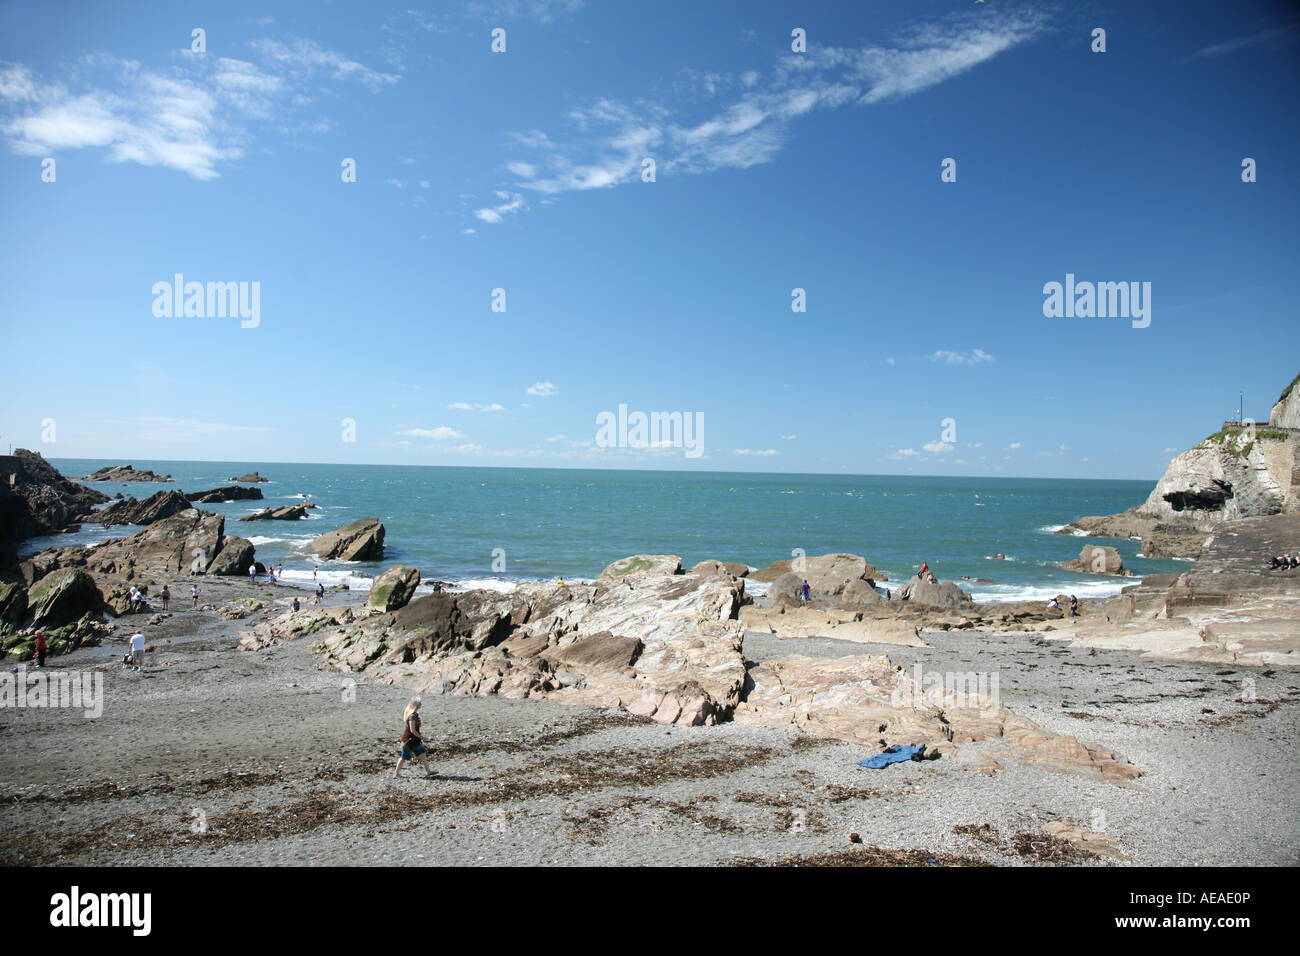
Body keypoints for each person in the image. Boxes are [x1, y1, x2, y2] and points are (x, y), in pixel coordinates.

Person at [394, 696, 434, 778]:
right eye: (420, 703)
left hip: (415, 740)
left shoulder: (415, 715)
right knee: (404, 757)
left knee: (422, 754)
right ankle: (396, 773)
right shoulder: (412, 716)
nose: (421, 704)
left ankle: (428, 771)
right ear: (416, 705)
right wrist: (422, 737)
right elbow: (412, 730)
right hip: (409, 740)